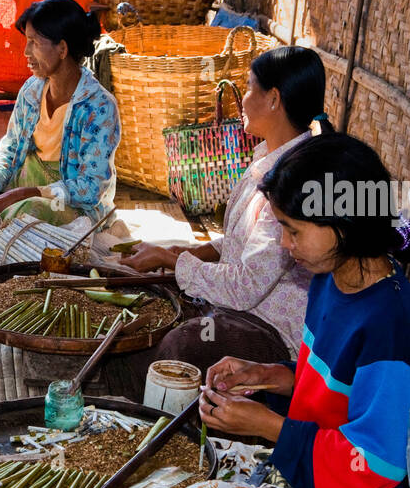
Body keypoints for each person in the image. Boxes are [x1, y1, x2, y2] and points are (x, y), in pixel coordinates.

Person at [142, 133, 410, 488]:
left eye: (293, 230)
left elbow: (377, 461)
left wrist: (268, 426)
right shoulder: (332, 279)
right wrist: (266, 374)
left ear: (343, 223)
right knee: (176, 463)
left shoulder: (393, 324)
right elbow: (332, 383)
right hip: (305, 479)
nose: (283, 242)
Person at [114, 47, 329, 401]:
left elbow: (246, 286)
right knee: (147, 314)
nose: (242, 100)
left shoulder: (296, 178)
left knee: (184, 343)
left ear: (274, 99)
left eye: (248, 88)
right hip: (240, 310)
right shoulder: (268, 157)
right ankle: (132, 397)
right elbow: (237, 242)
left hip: (271, 331)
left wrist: (173, 262)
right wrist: (180, 252)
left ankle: (155, 422)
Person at [0, 0, 120, 227]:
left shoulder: (99, 107)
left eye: (34, 43)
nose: (26, 52)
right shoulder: (32, 90)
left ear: (62, 49)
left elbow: (90, 188)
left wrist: (25, 194)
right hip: (23, 188)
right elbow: (9, 150)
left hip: (72, 207)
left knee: (26, 214)